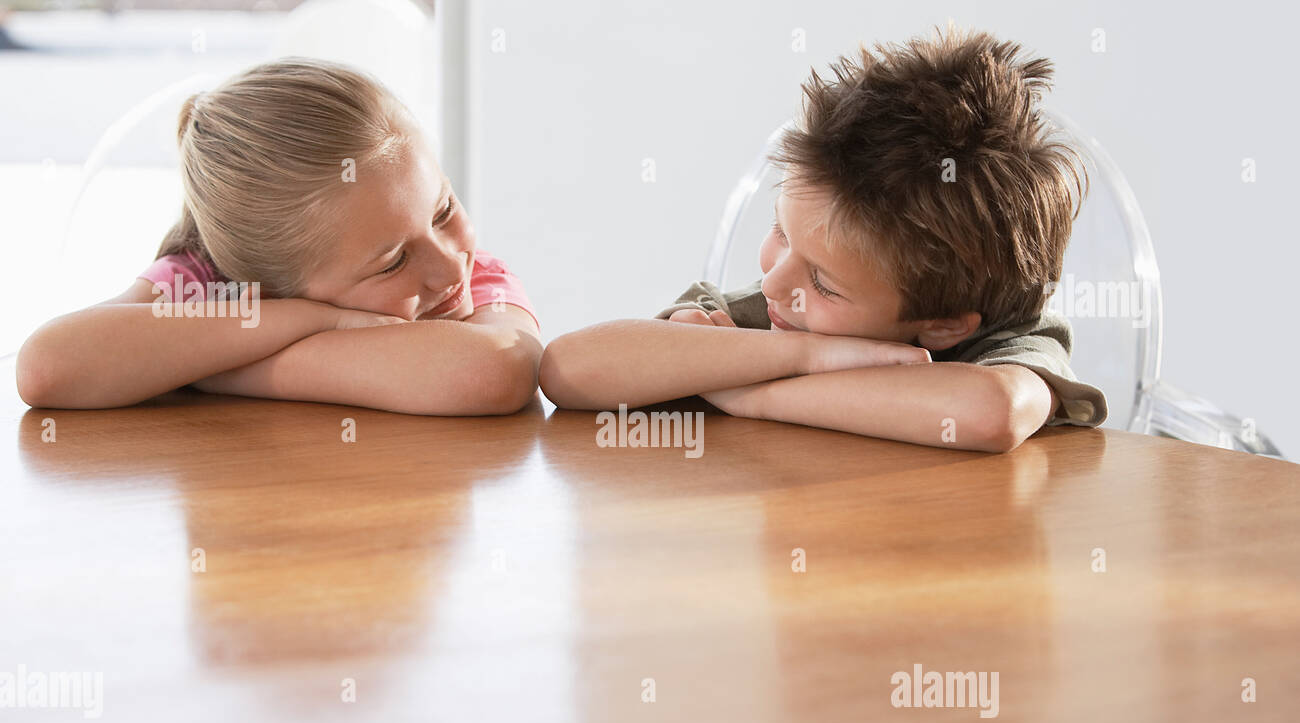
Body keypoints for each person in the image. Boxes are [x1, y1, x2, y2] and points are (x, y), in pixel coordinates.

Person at [540, 26, 1107, 452]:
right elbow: (569, 370)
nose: (774, 280)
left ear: (941, 325)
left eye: (825, 283)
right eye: (781, 232)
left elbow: (992, 412)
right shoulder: (786, 318)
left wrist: (751, 395)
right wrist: (807, 353)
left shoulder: (1011, 344)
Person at [16, 57, 541, 416]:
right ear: (262, 286)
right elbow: (46, 368)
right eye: (391, 262)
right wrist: (315, 320)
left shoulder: (476, 278)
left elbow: (495, 369)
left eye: (443, 209)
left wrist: (218, 369)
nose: (450, 266)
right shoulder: (210, 281)